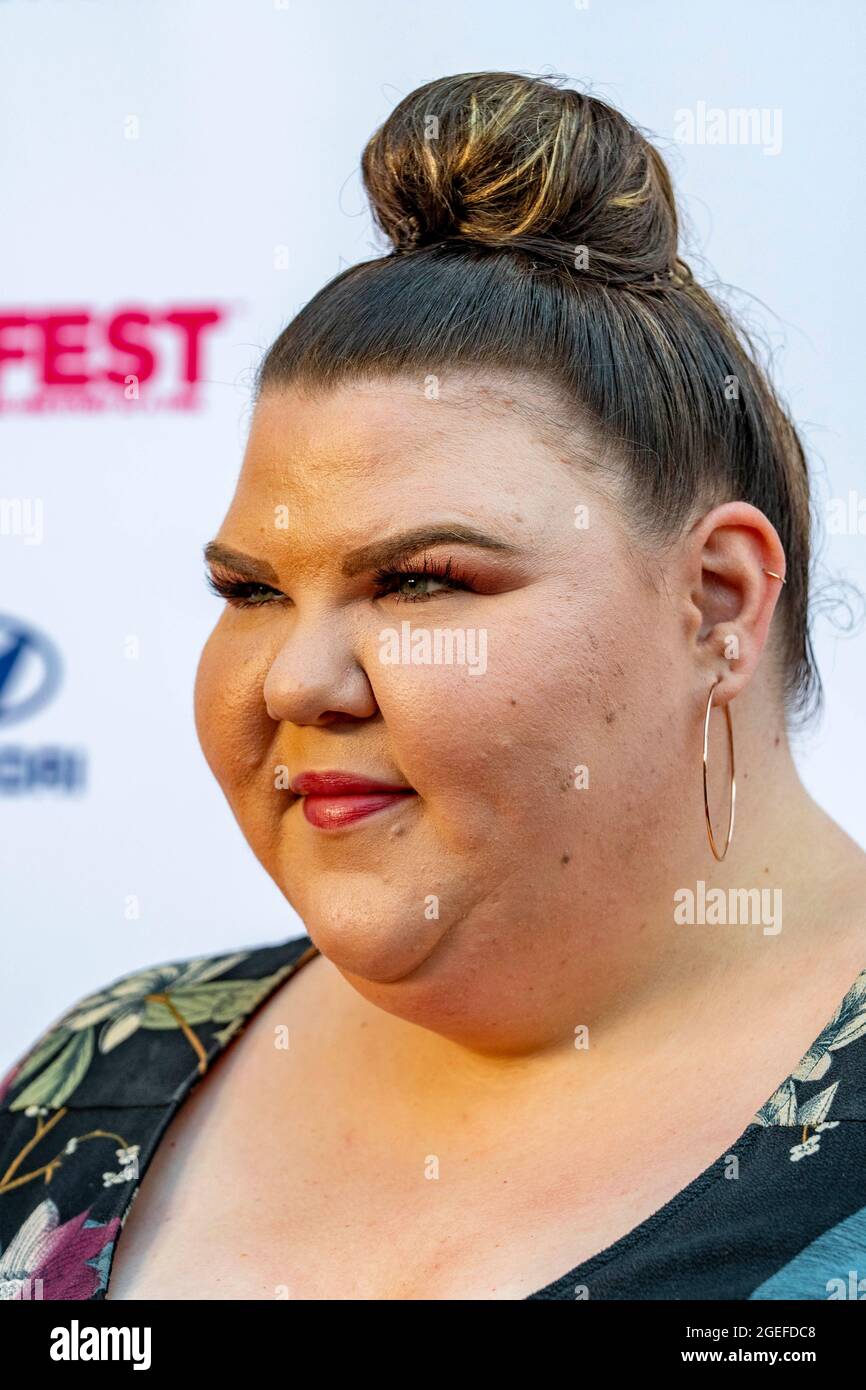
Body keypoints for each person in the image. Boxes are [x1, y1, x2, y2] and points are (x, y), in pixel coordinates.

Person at [2, 69, 865, 1302]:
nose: (296, 680)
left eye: (417, 582)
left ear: (718, 601)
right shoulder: (99, 1071)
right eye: (249, 591)